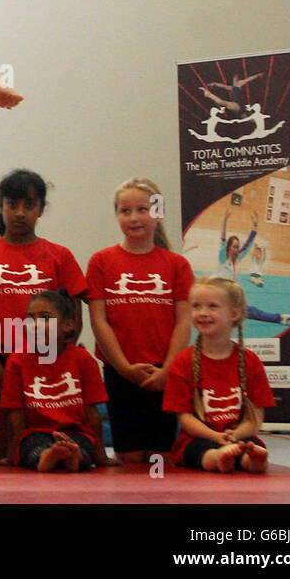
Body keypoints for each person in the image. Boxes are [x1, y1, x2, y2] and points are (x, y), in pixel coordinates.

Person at [0, 169, 86, 462]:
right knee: (7, 455)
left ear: (41, 209)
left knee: (53, 446)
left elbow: (73, 322)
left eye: (29, 205)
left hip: (48, 366)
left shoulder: (60, 256)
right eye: (12, 204)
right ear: (1, 206)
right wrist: (4, 376)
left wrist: (55, 362)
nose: (20, 213)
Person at [86, 178, 193, 463]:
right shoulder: (101, 261)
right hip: (121, 372)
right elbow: (99, 320)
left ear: (158, 213)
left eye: (143, 209)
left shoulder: (176, 265)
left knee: (161, 458)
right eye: (125, 211)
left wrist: (169, 369)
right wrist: (122, 367)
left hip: (164, 374)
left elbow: (184, 321)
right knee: (130, 459)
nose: (134, 218)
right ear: (117, 215)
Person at [162, 277, 274, 472]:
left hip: (238, 438)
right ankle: (219, 459)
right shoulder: (182, 362)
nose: (203, 313)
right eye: (196, 306)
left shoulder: (250, 362)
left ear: (234, 313)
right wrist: (216, 437)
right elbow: (185, 418)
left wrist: (236, 435)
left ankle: (251, 461)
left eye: (212, 306)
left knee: (248, 447)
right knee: (202, 451)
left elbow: (255, 417)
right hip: (199, 438)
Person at [0, 291, 113, 472]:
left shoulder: (82, 359)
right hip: (37, 432)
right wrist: (12, 455)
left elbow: (92, 411)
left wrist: (101, 456)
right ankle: (47, 456)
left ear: (68, 325)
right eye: (30, 318)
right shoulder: (17, 361)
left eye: (45, 318)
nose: (35, 324)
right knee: (32, 445)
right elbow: (16, 414)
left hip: (76, 432)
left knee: (83, 445)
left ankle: (74, 456)